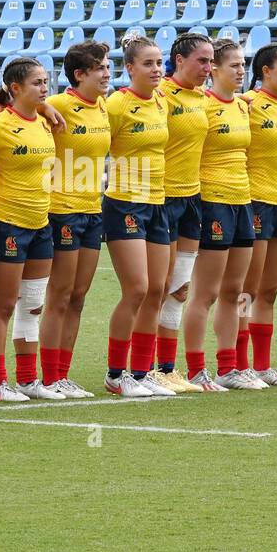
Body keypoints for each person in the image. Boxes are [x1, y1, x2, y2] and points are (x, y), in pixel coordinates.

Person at [181, 38, 262, 390]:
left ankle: (230, 366)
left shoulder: (244, 106)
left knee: (238, 292)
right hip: (212, 202)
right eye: (234, 65)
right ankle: (196, 368)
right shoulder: (203, 104)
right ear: (213, 69)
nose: (242, 71)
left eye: (243, 65)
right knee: (206, 293)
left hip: (243, 201)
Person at [36, 41, 111, 398]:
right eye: (100, 68)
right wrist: (43, 104)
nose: (107, 73)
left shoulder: (103, 108)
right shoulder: (61, 104)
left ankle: (62, 374)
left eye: (108, 66)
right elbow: (14, 103)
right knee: (60, 294)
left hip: (92, 210)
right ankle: (49, 376)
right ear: (79, 75)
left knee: (79, 296)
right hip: (61, 210)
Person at [103, 36, 177, 397]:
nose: (156, 70)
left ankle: (142, 372)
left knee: (159, 291)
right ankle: (116, 374)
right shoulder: (117, 104)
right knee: (137, 289)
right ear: (130, 68)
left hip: (157, 202)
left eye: (160, 63)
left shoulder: (162, 101)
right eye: (148, 63)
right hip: (124, 203)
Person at [0, 57, 58, 401]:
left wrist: (46, 108)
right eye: (37, 83)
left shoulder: (44, 121)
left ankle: (28, 380)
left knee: (32, 305)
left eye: (46, 82)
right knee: (2, 306)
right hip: (8, 224)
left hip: (41, 223)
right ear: (15, 88)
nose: (45, 89)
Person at [236, 43, 277, 388]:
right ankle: (238, 364)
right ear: (266, 71)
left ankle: (262, 366)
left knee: (270, 290)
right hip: (255, 201)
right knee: (248, 290)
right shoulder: (248, 104)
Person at [153, 33, 212, 389]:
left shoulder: (204, 98)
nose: (208, 68)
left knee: (180, 288)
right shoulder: (160, 95)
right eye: (201, 61)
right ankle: (139, 368)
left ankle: (166, 367)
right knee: (156, 288)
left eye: (210, 62)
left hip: (193, 198)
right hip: (162, 198)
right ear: (179, 59)